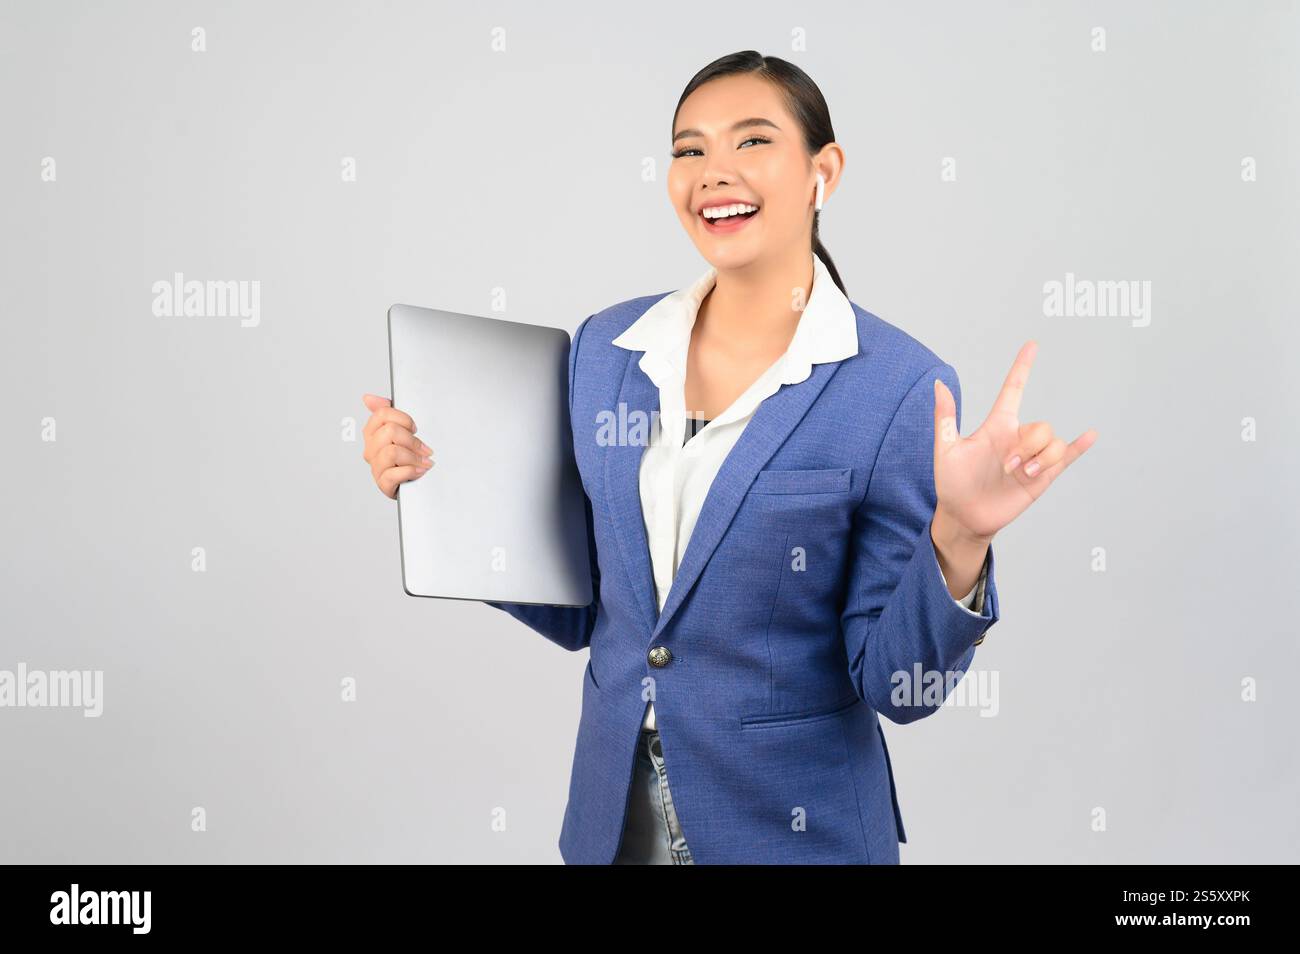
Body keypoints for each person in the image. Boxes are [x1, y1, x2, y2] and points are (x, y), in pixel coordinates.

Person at [361, 50, 1096, 864]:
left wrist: (960, 536)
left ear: (824, 172)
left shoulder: (899, 388)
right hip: (612, 826)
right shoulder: (608, 349)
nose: (714, 172)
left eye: (752, 142)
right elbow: (588, 612)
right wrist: (442, 482)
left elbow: (894, 684)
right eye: (689, 149)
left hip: (794, 835)